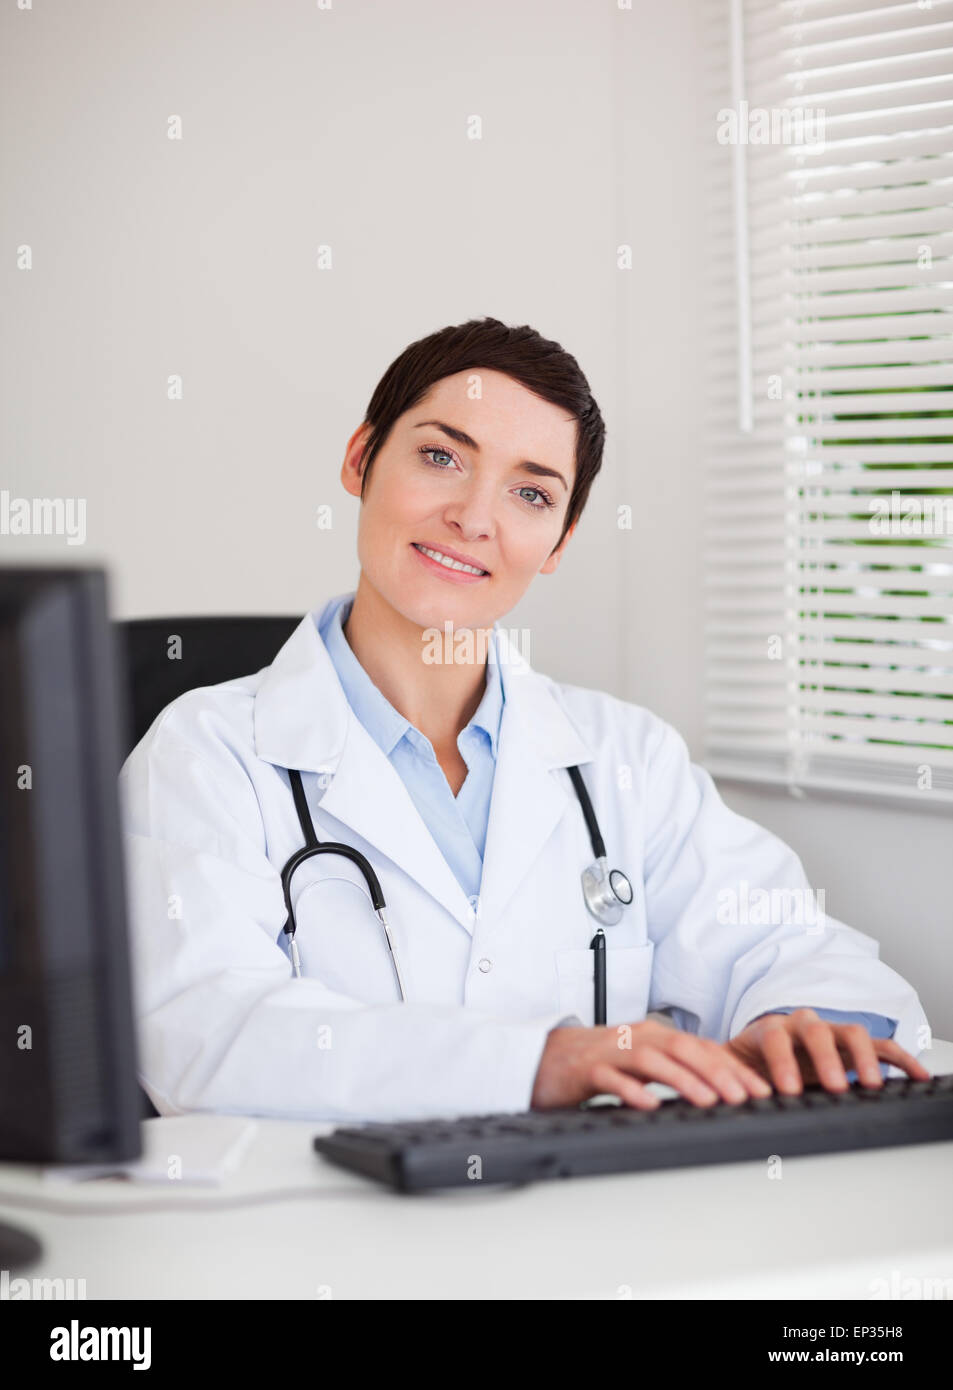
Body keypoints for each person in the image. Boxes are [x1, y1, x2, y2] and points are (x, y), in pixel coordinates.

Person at [120, 316, 931, 1122]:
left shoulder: (627, 758)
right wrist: (535, 1063)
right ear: (360, 459)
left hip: (599, 1226)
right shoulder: (204, 754)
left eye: (530, 493)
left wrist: (806, 1028)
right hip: (328, 1235)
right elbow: (201, 1033)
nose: (475, 517)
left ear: (558, 541)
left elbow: (787, 946)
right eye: (441, 456)